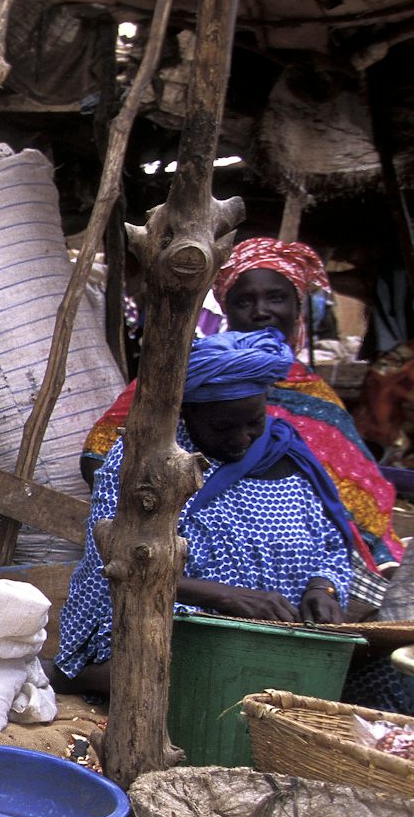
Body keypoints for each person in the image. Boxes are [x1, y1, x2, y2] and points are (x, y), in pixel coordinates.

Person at [83, 238, 402, 594]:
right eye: (244, 301)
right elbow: (102, 456)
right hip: (182, 572)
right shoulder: (185, 379)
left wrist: (324, 582)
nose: (261, 311)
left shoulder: (317, 398)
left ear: (298, 307)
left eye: (276, 298)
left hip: (300, 574)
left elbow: (345, 496)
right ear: (227, 308)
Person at [57, 328, 355, 695]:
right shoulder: (144, 458)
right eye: (222, 427)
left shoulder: (286, 453)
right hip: (170, 623)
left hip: (286, 636)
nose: (242, 438)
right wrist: (224, 597)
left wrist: (322, 587)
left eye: (253, 423)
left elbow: (333, 546)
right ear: (185, 413)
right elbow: (120, 562)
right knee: (171, 676)